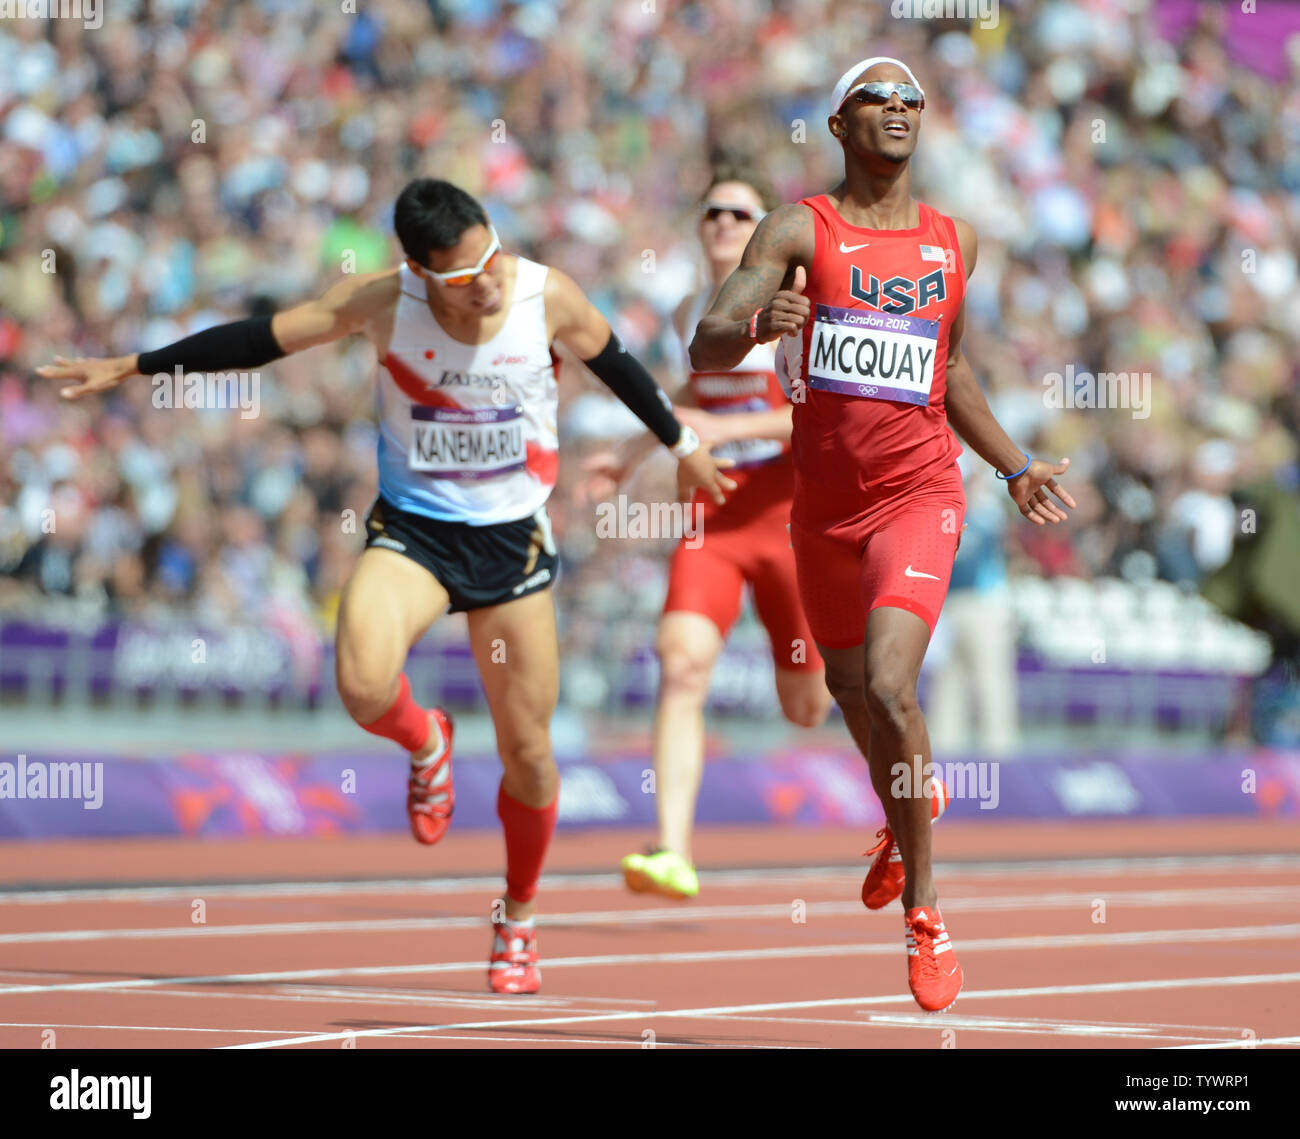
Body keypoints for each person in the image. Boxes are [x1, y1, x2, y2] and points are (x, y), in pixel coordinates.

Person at [39, 178, 733, 996]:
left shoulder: (547, 297)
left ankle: (518, 917)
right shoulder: (379, 303)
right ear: (421, 273)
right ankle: (426, 740)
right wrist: (137, 364)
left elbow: (616, 364)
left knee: (531, 757)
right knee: (362, 682)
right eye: (465, 275)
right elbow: (263, 339)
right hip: (416, 533)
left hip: (512, 547)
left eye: (493, 257)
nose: (490, 281)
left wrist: (681, 441)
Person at [689, 59, 1075, 1012]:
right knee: (853, 692)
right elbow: (705, 343)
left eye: (912, 102)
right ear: (839, 121)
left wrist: (1014, 465)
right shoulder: (796, 229)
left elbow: (948, 372)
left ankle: (928, 909)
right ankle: (904, 812)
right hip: (821, 508)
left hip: (919, 494)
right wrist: (753, 325)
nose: (900, 112)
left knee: (895, 685)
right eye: (880, 100)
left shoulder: (956, 242)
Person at [587, 165, 832, 899]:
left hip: (790, 519)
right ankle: (671, 848)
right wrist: (634, 450)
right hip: (717, 514)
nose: (724, 223)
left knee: (807, 705)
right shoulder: (693, 308)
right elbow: (696, 391)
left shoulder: (800, 308)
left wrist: (723, 427)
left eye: (740, 213)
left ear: (766, 230)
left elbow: (815, 416)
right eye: (713, 213)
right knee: (681, 660)